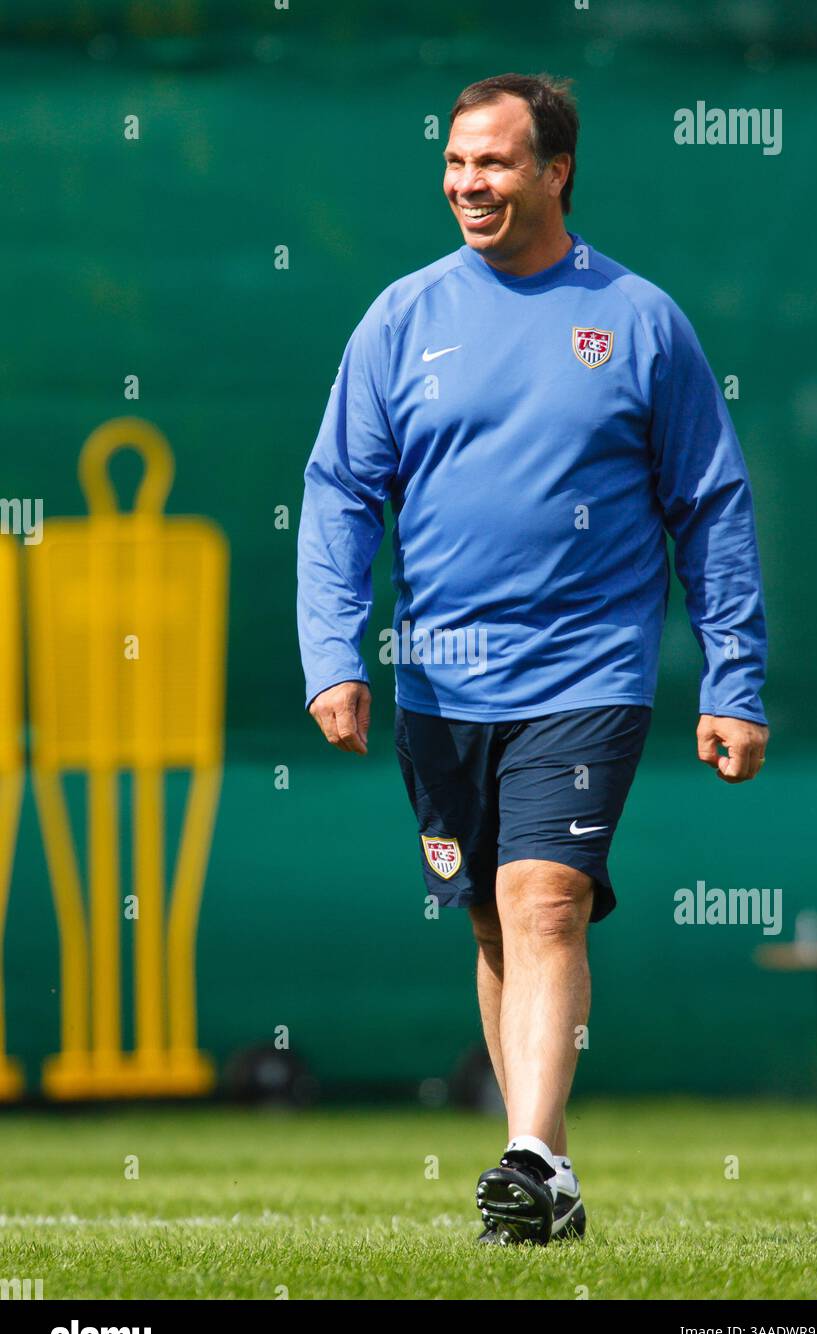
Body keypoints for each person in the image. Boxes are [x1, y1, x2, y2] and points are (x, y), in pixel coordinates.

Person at [296, 72, 769, 1246]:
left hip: (587, 669)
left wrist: (732, 677)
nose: (469, 183)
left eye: (495, 163)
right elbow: (341, 493)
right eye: (457, 162)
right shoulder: (401, 319)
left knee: (544, 897)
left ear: (555, 171)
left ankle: (527, 1149)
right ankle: (538, 1175)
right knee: (493, 923)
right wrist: (331, 651)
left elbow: (708, 504)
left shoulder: (638, 320)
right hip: (440, 678)